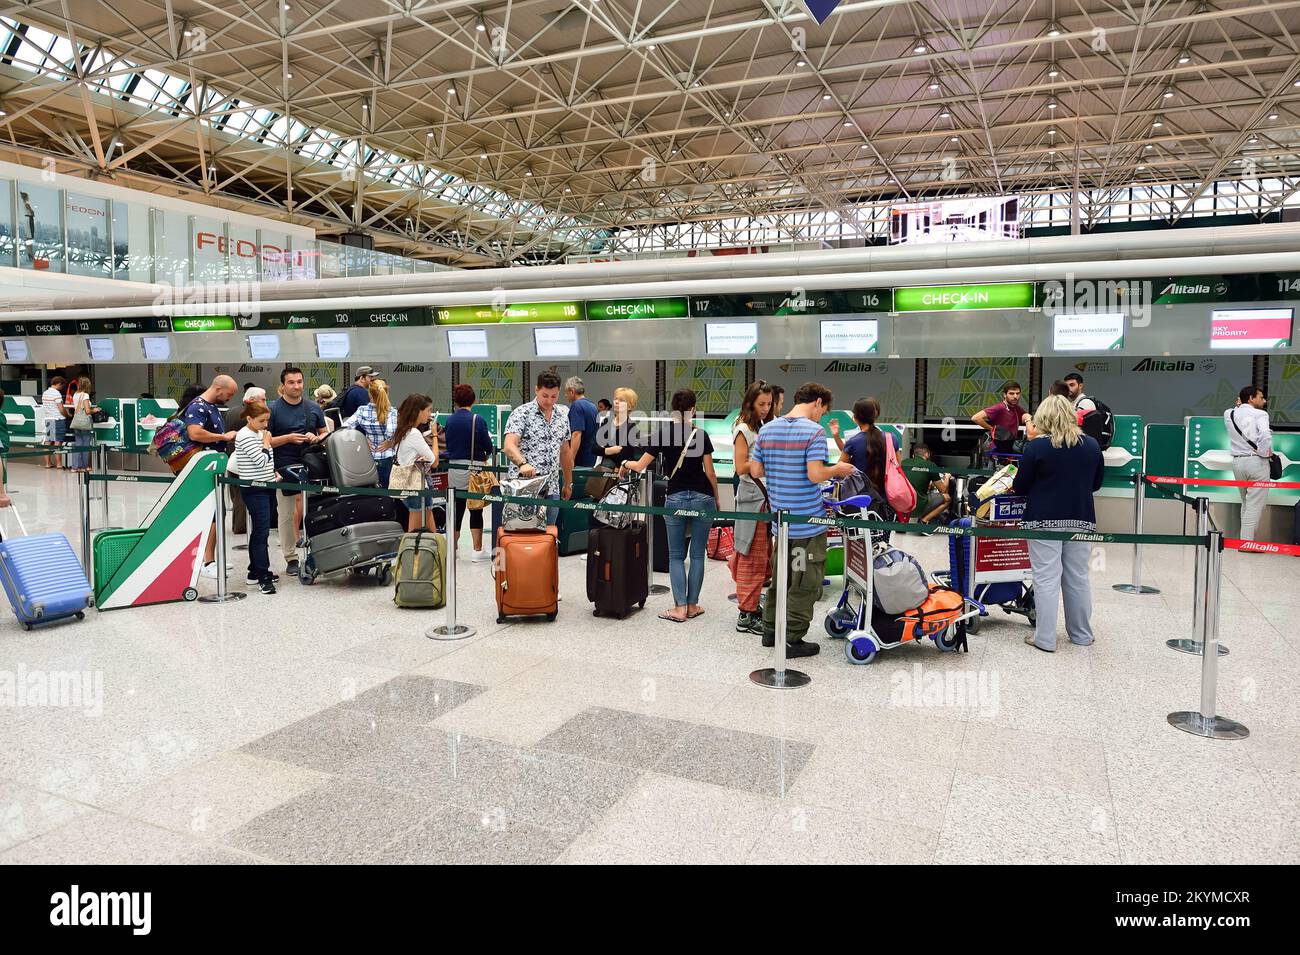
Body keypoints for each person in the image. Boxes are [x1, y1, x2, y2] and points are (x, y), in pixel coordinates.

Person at [749, 382, 857, 657]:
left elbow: (756, 469)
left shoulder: (767, 429)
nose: (821, 415)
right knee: (804, 581)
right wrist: (838, 469)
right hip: (806, 524)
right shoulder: (814, 431)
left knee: (781, 578)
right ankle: (792, 639)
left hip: (780, 522)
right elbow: (814, 474)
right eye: (824, 409)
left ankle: (771, 632)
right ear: (818, 402)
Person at [1011, 394, 1104, 653]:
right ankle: (1082, 635)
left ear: (1044, 417)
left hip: (1042, 520)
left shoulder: (1037, 447)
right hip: (1082, 519)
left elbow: (1020, 485)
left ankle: (1045, 638)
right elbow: (1096, 483)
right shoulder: (1092, 445)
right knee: (1078, 578)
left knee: (1046, 579)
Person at [620, 389, 720, 624]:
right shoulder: (701, 434)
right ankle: (693, 605)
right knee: (697, 555)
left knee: (676, 556)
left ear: (673, 409)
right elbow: (711, 472)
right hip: (703, 496)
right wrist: (716, 498)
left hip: (675, 497)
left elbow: (640, 465)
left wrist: (625, 462)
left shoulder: (663, 433)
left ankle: (680, 608)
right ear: (693, 408)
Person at [269, 367, 328, 576]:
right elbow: (265, 441)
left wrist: (316, 438)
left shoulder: (313, 407)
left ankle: (319, 548)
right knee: (285, 513)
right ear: (283, 385)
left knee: (317, 508)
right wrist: (287, 438)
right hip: (283, 466)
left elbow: (325, 434)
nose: (296, 386)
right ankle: (291, 557)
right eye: (292, 382)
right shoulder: (273, 409)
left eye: (300, 382)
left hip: (311, 464)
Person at [180, 375, 240, 577]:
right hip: (202, 468)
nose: (230, 398)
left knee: (216, 513)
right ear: (218, 388)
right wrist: (223, 437)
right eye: (229, 394)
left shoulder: (211, 406)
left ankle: (208, 559)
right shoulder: (198, 406)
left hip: (211, 466)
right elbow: (195, 433)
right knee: (212, 514)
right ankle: (207, 562)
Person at [503, 371, 574, 539]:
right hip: (525, 488)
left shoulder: (562, 417)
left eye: (554, 396)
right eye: (545, 396)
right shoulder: (522, 413)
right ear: (536, 390)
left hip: (552, 487)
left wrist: (568, 483)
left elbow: (565, 451)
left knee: (549, 536)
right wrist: (522, 463)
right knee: (522, 537)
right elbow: (509, 445)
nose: (549, 401)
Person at [730, 381, 774, 634]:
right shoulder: (743, 429)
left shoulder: (762, 426)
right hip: (751, 499)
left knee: (759, 556)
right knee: (750, 555)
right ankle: (746, 615)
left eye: (768, 404)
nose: (765, 408)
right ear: (750, 403)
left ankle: (752, 604)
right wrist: (764, 461)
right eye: (761, 404)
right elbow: (740, 467)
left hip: (763, 498)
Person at [443, 383, 494, 561]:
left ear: (455, 401)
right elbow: (488, 446)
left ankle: (453, 549)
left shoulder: (449, 420)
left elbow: (448, 445)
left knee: (456, 510)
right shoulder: (477, 420)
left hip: (454, 469)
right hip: (474, 471)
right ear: (473, 400)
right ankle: (477, 550)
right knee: (476, 509)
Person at [233, 401, 278, 595]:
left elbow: (268, 461)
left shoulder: (260, 433)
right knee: (261, 532)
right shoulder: (244, 435)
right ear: (249, 418)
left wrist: (273, 474)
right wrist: (267, 443)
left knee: (262, 530)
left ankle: (254, 571)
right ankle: (262, 575)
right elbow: (261, 460)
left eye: (267, 420)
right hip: (254, 489)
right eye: (261, 421)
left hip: (267, 485)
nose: (265, 425)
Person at [384, 394, 440, 533]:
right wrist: (434, 435)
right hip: (415, 487)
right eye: (428, 410)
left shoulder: (403, 431)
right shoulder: (413, 433)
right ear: (418, 411)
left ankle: (437, 552)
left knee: (429, 528)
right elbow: (434, 462)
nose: (430, 414)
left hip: (415, 485)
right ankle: (412, 554)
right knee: (413, 533)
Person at [1226, 386, 1273, 542]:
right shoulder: (1260, 414)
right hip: (1257, 462)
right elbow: (1265, 435)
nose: (1264, 401)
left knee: (1246, 502)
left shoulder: (1229, 413)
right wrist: (1264, 453)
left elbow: (1237, 410)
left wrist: (1239, 403)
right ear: (1251, 398)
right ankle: (1247, 542)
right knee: (1255, 505)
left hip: (1238, 462)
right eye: (1261, 397)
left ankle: (1245, 540)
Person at [224, 385, 266, 539]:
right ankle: (242, 526)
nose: (265, 402)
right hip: (246, 460)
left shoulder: (231, 411)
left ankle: (238, 524)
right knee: (244, 494)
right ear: (252, 400)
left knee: (236, 494)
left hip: (231, 458)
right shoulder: (251, 416)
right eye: (263, 399)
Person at [342, 379, 397, 489]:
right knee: (386, 491)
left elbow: (345, 427)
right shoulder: (391, 411)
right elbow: (391, 431)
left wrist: (362, 439)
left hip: (366, 455)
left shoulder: (362, 410)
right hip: (386, 456)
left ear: (369, 393)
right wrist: (390, 441)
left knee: (368, 492)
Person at [972, 381, 1030, 452]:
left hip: (1010, 445)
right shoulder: (999, 407)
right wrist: (992, 429)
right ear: (1005, 395)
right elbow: (975, 418)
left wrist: (1029, 420)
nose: (1015, 396)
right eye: (1011, 393)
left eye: (1017, 393)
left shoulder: (1016, 408)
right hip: (998, 446)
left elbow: (1026, 416)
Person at [900, 443, 951, 523]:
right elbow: (943, 490)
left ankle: (902, 521)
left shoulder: (903, 463)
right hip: (919, 507)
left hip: (902, 507)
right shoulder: (930, 465)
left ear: (913, 454)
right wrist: (947, 477)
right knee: (947, 498)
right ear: (927, 454)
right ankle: (924, 520)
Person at [565, 375, 601, 471]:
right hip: (592, 458)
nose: (565, 395)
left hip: (581, 460)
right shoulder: (593, 406)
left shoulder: (576, 406)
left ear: (572, 391)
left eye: (566, 392)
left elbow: (576, 434)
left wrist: (571, 459)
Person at [41, 375, 68, 469]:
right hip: (58, 420)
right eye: (62, 386)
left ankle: (48, 463)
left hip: (48, 419)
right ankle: (59, 464)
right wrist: (67, 415)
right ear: (59, 384)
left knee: (48, 441)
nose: (62, 388)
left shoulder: (45, 393)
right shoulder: (56, 394)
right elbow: (61, 409)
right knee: (57, 442)